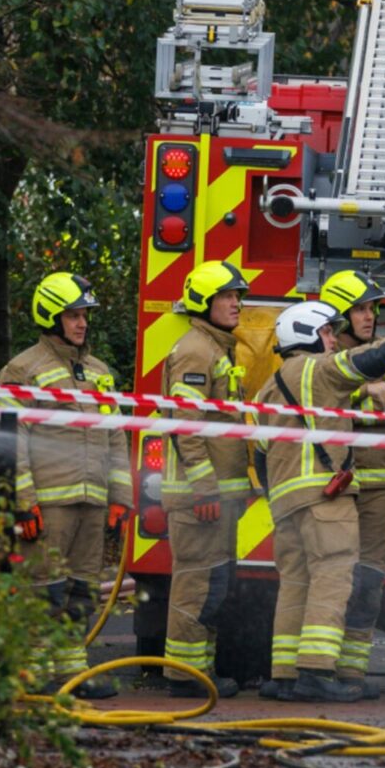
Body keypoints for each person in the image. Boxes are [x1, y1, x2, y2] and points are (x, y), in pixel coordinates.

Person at [254, 300, 385, 703]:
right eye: (326, 332)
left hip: (285, 503)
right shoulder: (320, 370)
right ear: (308, 335)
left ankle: (285, 675)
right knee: (333, 576)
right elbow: (373, 356)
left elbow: (257, 451)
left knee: (296, 583)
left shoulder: (270, 386)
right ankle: (316, 672)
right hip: (325, 496)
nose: (332, 340)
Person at [0, 272, 131, 699]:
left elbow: (116, 433)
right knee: (43, 586)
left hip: (92, 500)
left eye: (85, 315)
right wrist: (24, 503)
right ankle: (34, 670)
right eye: (73, 315)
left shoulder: (98, 372)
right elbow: (12, 439)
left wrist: (120, 498)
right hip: (48, 502)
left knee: (82, 589)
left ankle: (73, 671)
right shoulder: (23, 369)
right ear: (51, 317)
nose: (82, 323)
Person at [319, 271, 385, 696]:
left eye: (372, 308)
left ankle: (352, 674)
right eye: (360, 308)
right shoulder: (324, 355)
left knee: (369, 579)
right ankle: (318, 667)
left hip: (377, 489)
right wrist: (370, 391)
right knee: (330, 577)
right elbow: (328, 400)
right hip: (334, 484)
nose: (369, 316)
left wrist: (359, 395)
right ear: (341, 313)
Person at [159, 260, 253, 698]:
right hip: (200, 498)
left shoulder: (216, 348)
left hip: (218, 495)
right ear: (204, 302)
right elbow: (186, 424)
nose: (237, 303)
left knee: (212, 586)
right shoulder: (197, 350)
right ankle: (184, 676)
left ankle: (198, 671)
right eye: (228, 297)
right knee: (197, 586)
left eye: (238, 296)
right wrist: (205, 487)